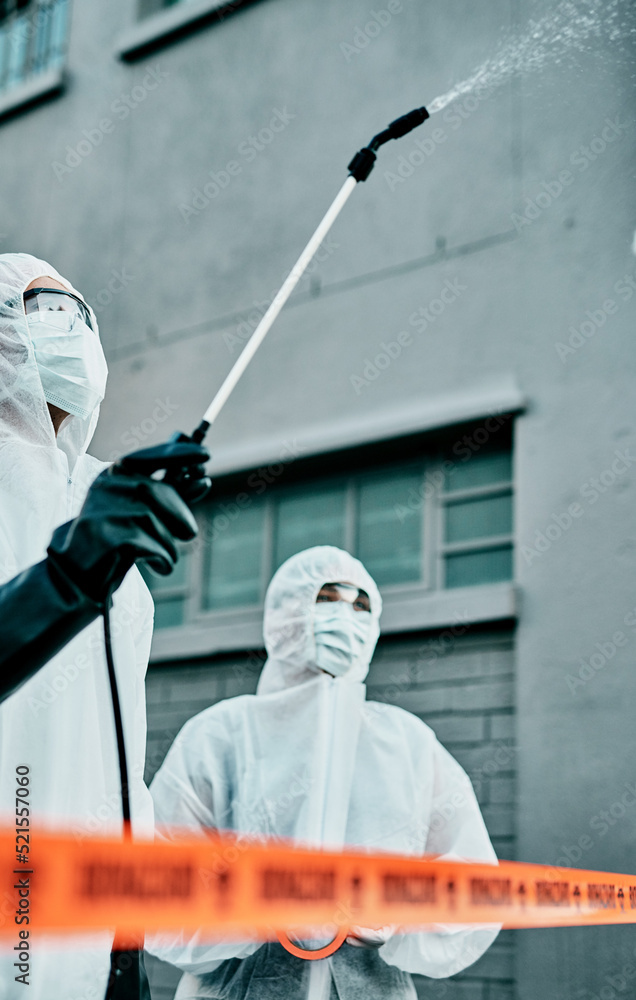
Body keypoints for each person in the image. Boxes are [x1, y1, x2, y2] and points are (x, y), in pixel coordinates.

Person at [148, 545, 499, 1000]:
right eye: (328, 599)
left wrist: (402, 910)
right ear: (286, 614)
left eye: (360, 605)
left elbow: (474, 882)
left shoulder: (408, 743)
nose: (345, 617)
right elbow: (156, 879)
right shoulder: (220, 734)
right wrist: (250, 911)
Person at [0, 253, 209, 1000]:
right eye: (46, 311)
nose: (75, 333)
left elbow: (114, 737)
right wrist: (69, 570)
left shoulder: (96, 491)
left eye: (83, 318)